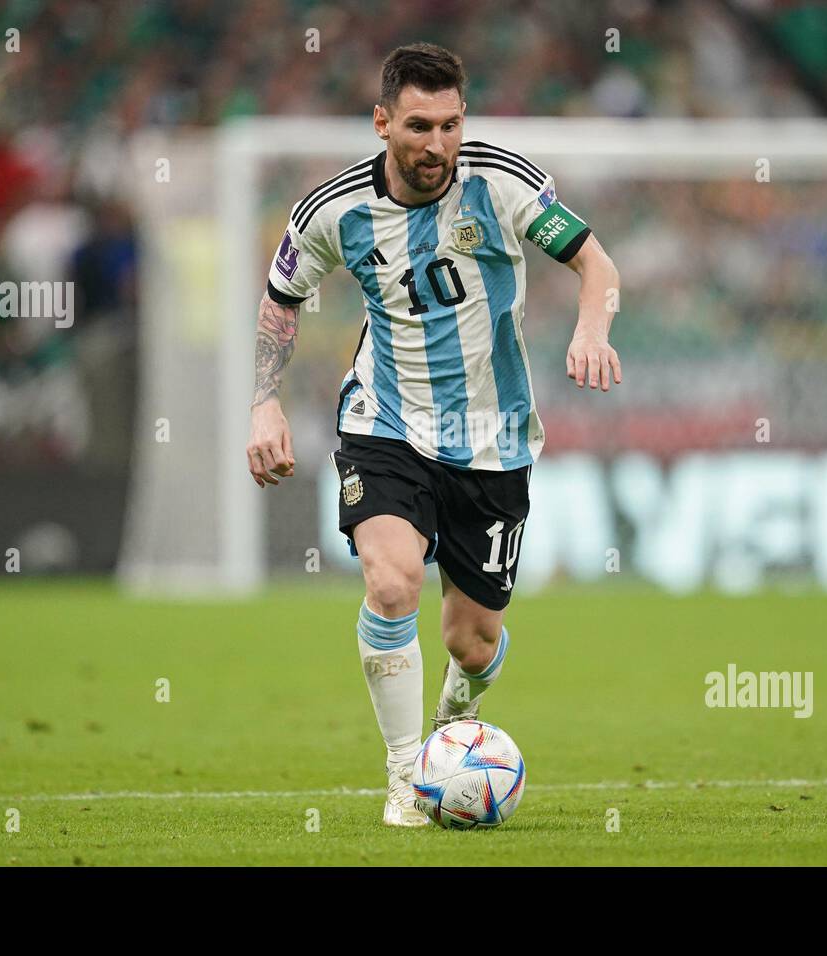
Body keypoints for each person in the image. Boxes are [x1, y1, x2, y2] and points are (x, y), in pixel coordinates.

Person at [248, 42, 622, 826]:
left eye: (451, 125)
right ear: (382, 122)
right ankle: (404, 775)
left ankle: (457, 717)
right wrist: (264, 401)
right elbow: (283, 296)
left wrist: (591, 329)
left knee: (473, 642)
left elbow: (597, 265)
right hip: (387, 424)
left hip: (495, 439)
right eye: (419, 126)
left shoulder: (501, 182)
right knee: (391, 582)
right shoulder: (334, 212)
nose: (438, 145)